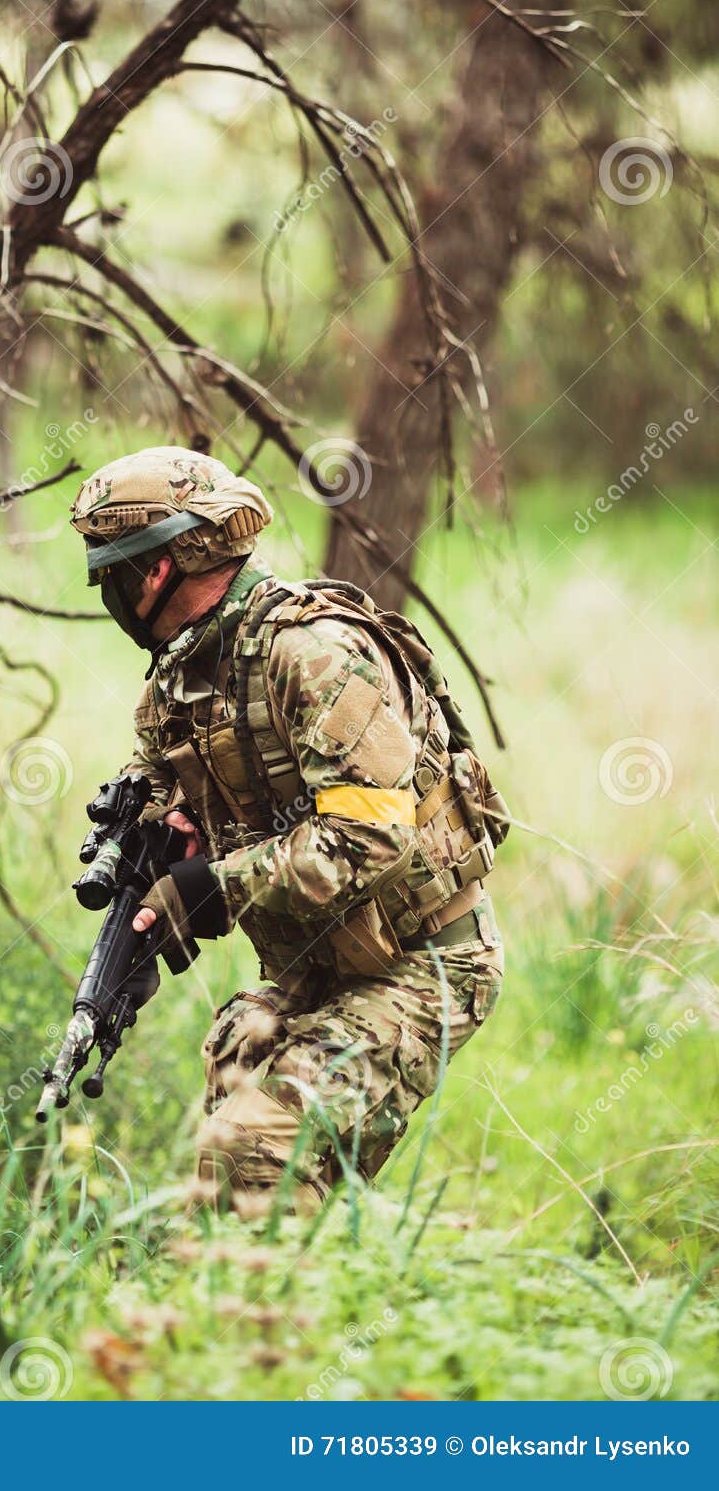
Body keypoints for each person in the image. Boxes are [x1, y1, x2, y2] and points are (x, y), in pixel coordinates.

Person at [70, 446, 508, 1215]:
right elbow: (163, 804)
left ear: (159, 570)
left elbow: (369, 840)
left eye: (113, 570)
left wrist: (211, 891)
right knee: (224, 1150)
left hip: (424, 963)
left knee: (259, 1153)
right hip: (320, 964)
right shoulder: (182, 676)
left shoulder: (312, 653)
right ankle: (274, 1322)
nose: (109, 590)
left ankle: (308, 1328)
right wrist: (142, 917)